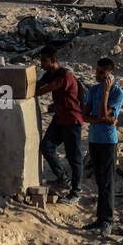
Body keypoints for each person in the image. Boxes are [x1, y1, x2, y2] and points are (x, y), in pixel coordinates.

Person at [35, 46, 84, 200]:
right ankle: (62, 178)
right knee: (46, 147)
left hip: (71, 120)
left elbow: (43, 89)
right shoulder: (50, 73)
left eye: (44, 61)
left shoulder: (65, 75)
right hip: (59, 118)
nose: (41, 64)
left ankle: (76, 191)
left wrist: (24, 91)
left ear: (54, 61)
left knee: (74, 158)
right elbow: (38, 84)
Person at [83, 57, 123, 234]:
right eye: (97, 71)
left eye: (101, 72)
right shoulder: (93, 90)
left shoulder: (117, 92)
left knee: (107, 182)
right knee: (100, 181)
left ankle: (107, 220)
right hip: (94, 139)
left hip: (108, 142)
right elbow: (85, 116)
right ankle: (100, 218)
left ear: (110, 74)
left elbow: (101, 113)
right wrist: (104, 119)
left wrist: (106, 92)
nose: (97, 75)